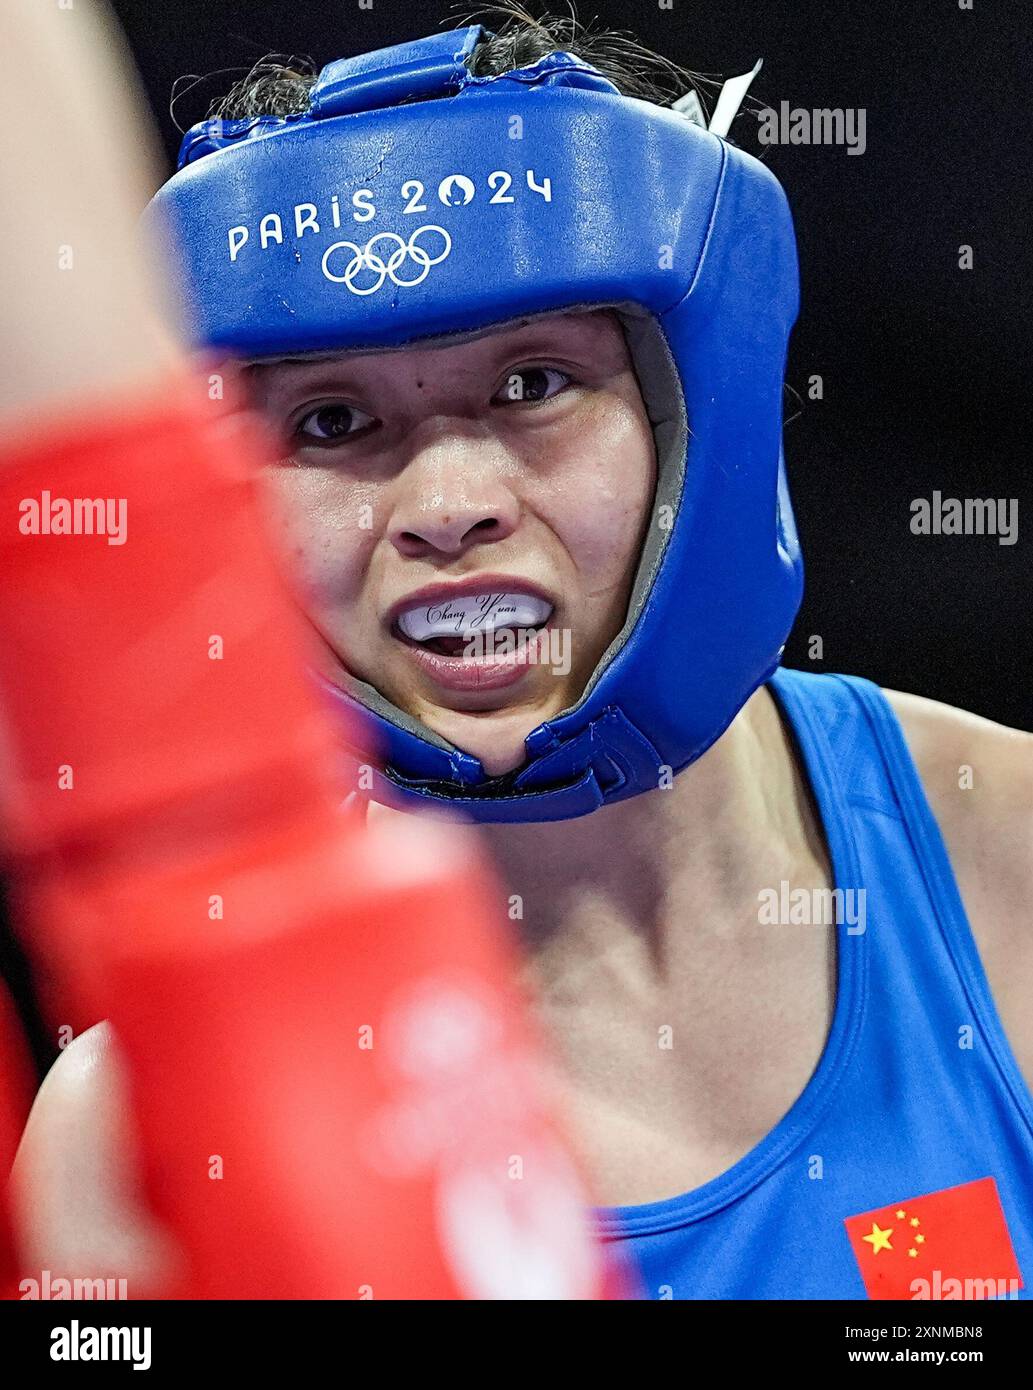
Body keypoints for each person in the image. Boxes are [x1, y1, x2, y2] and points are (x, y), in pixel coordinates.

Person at [19, 7, 1033, 1300]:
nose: (447, 502)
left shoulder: (1004, 856)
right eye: (331, 418)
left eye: (533, 385)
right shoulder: (138, 1122)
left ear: (695, 408)